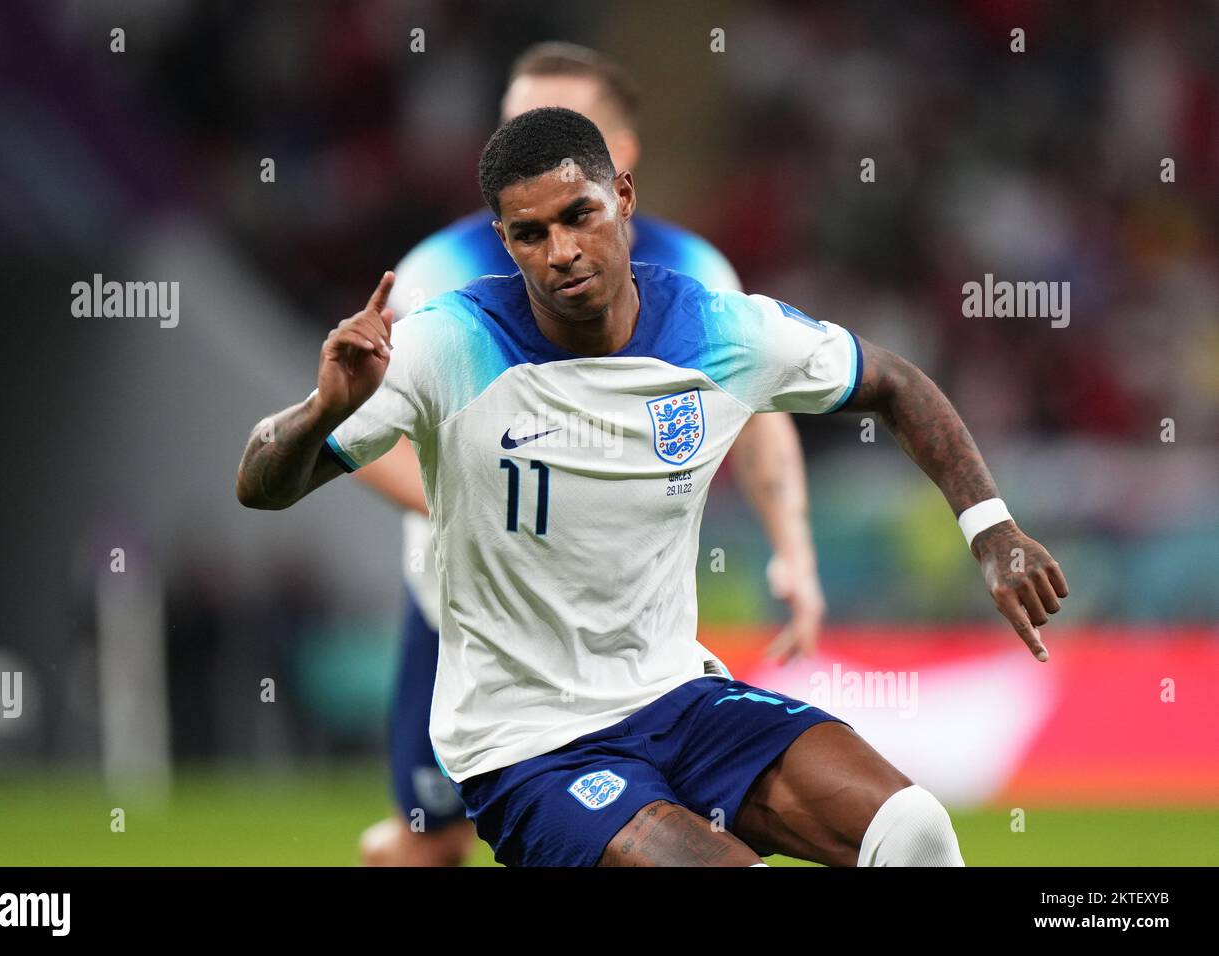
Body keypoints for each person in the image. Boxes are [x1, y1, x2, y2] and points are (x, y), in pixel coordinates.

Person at [236, 107, 1069, 866]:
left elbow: (891, 381)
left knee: (914, 831)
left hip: (681, 697)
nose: (560, 251)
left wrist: (990, 529)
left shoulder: (717, 330)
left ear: (622, 198)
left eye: (578, 216)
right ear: (503, 240)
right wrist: (321, 412)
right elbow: (261, 484)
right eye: (529, 234)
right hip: (529, 742)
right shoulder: (444, 345)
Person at [350, 43, 824, 867]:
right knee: (432, 845)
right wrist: (492, 518)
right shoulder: (440, 273)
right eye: (518, 127)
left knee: (641, 829)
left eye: (569, 128)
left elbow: (761, 407)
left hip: (623, 624)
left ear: (622, 160)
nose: (541, 145)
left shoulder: (692, 271)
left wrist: (793, 548)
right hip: (470, 620)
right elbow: (362, 440)